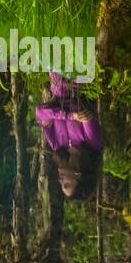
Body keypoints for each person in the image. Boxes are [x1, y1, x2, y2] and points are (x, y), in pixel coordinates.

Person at [35, 72, 104, 200]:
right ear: (79, 177)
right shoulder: (93, 145)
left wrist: (69, 116)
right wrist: (61, 113)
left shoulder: (57, 146)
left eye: (61, 184)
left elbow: (40, 112)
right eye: (66, 184)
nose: (60, 180)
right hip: (82, 81)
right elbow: (84, 111)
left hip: (56, 80)